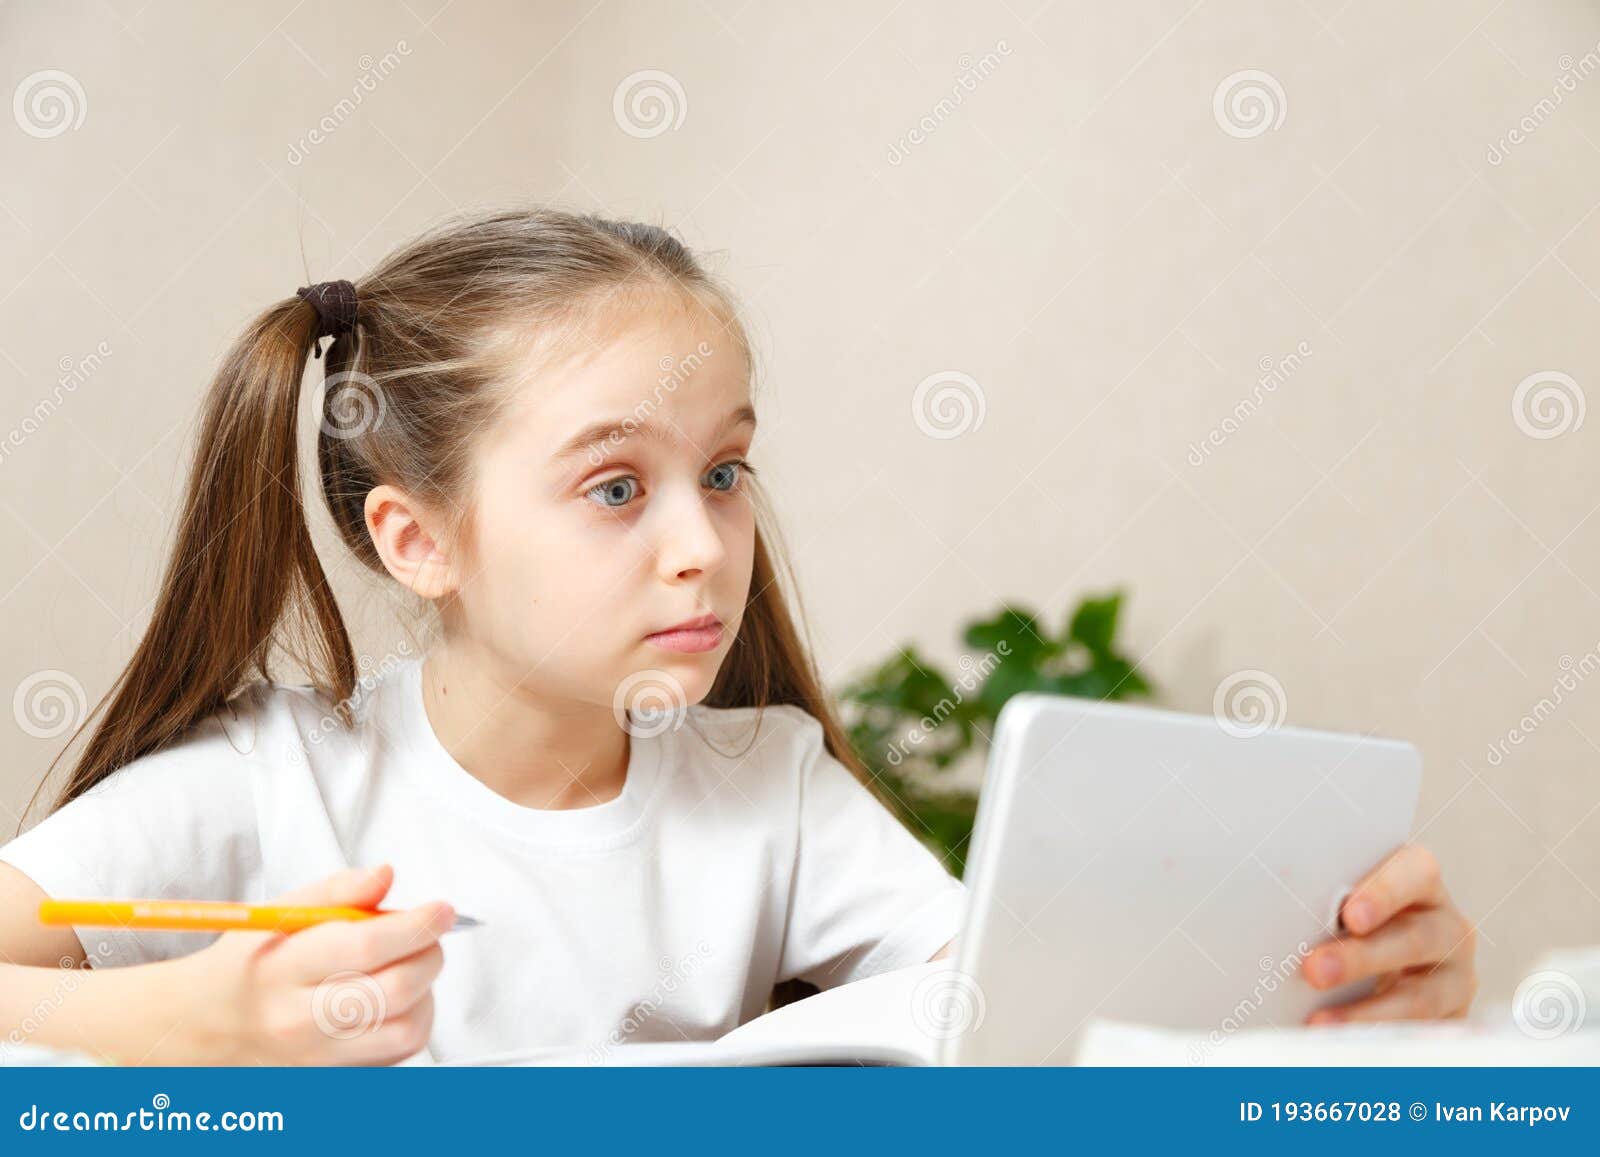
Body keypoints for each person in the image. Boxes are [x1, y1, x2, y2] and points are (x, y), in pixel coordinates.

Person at [0, 209, 1475, 1065]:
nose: (704, 541)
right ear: (418, 538)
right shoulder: (271, 780)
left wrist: (1331, 994)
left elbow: (1026, 1009)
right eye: (617, 486)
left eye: (724, 470)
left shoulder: (768, 784)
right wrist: (185, 1014)